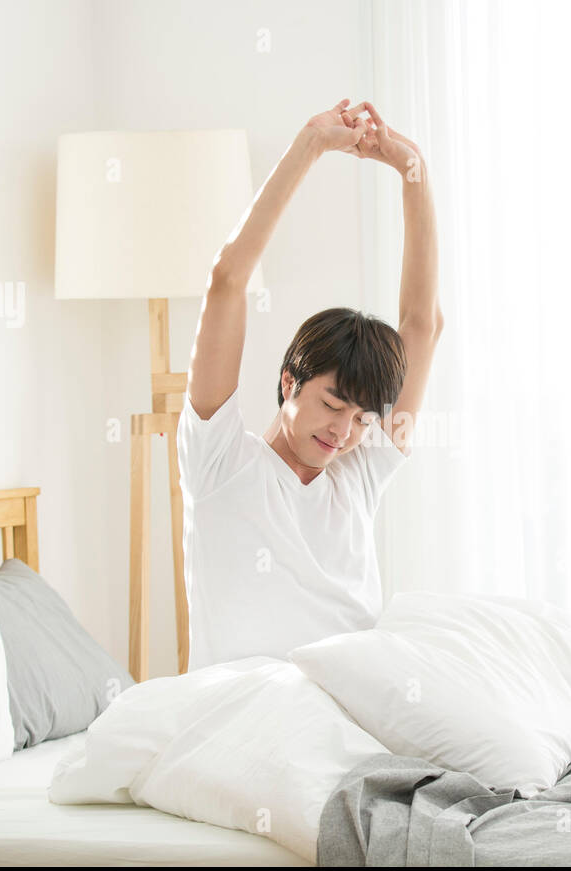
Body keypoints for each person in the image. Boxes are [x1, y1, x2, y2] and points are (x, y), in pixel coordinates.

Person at [177, 99, 443, 670]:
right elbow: (227, 280)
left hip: (361, 707)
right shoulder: (219, 462)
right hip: (257, 718)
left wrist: (411, 167)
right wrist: (311, 144)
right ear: (289, 381)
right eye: (332, 403)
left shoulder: (357, 475)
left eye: (363, 419)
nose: (344, 432)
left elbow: (423, 325)